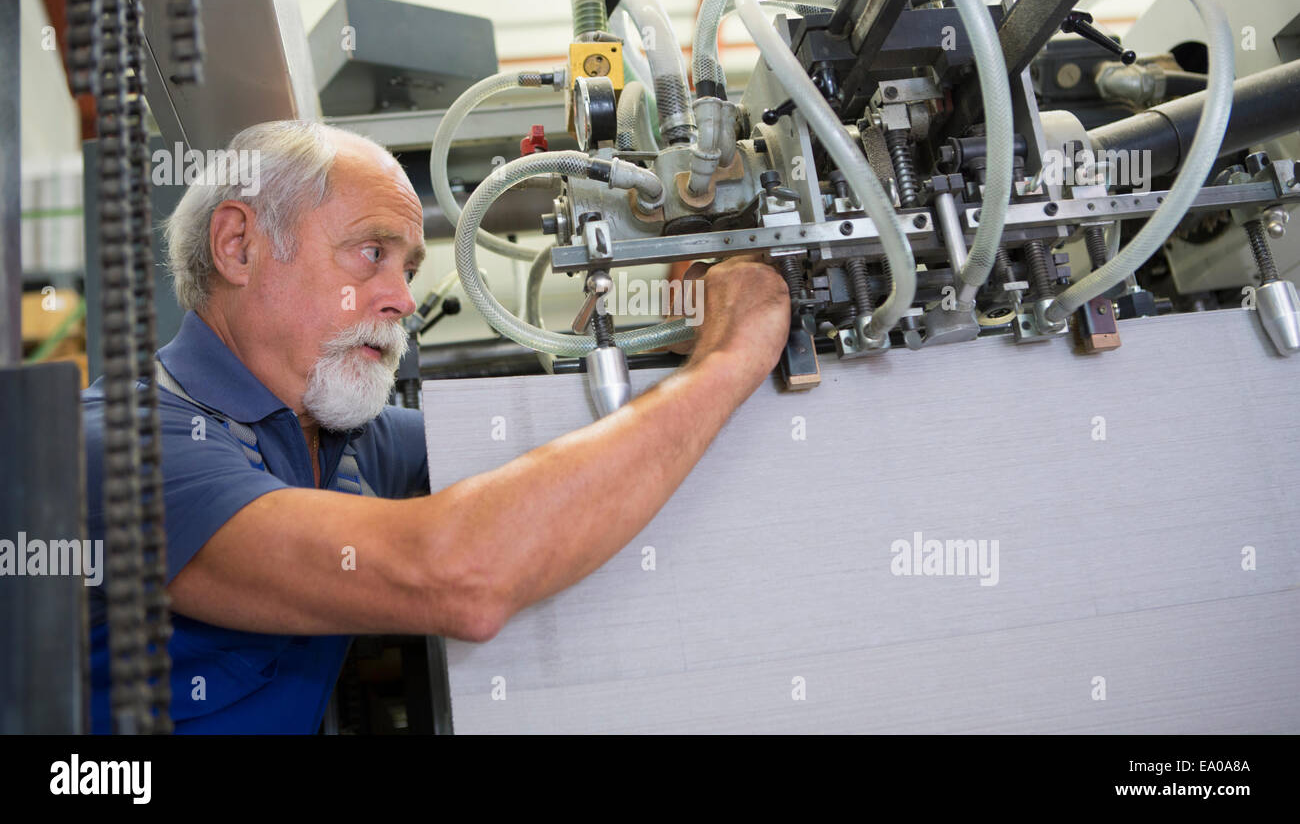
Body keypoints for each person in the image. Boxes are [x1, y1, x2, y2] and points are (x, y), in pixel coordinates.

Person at [83, 119, 791, 732]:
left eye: (409, 268)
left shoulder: (347, 437)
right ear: (239, 246)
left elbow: (557, 479)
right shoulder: (124, 446)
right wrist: (730, 360)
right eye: (371, 254)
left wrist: (670, 343)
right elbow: (461, 574)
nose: (402, 300)